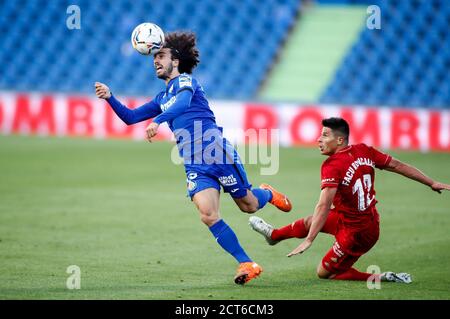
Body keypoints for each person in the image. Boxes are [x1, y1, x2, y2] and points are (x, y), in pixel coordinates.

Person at [94, 31, 292, 285]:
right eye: (154, 56)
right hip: (194, 163)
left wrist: (159, 120)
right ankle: (246, 262)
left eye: (161, 56)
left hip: (216, 153)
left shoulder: (186, 82)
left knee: (249, 205)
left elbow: (184, 104)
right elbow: (131, 117)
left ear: (175, 60)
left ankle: (266, 192)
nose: (156, 61)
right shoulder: (162, 97)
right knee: (208, 214)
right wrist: (110, 97)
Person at [249, 117, 450, 283]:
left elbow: (324, 204)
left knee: (324, 272)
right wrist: (430, 182)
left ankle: (380, 277)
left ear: (339, 140)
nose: (319, 139)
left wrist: (309, 239)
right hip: (351, 218)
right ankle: (274, 236)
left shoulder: (332, 165)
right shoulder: (364, 150)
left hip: (357, 232)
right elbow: (397, 165)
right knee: (311, 222)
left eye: (325, 135)